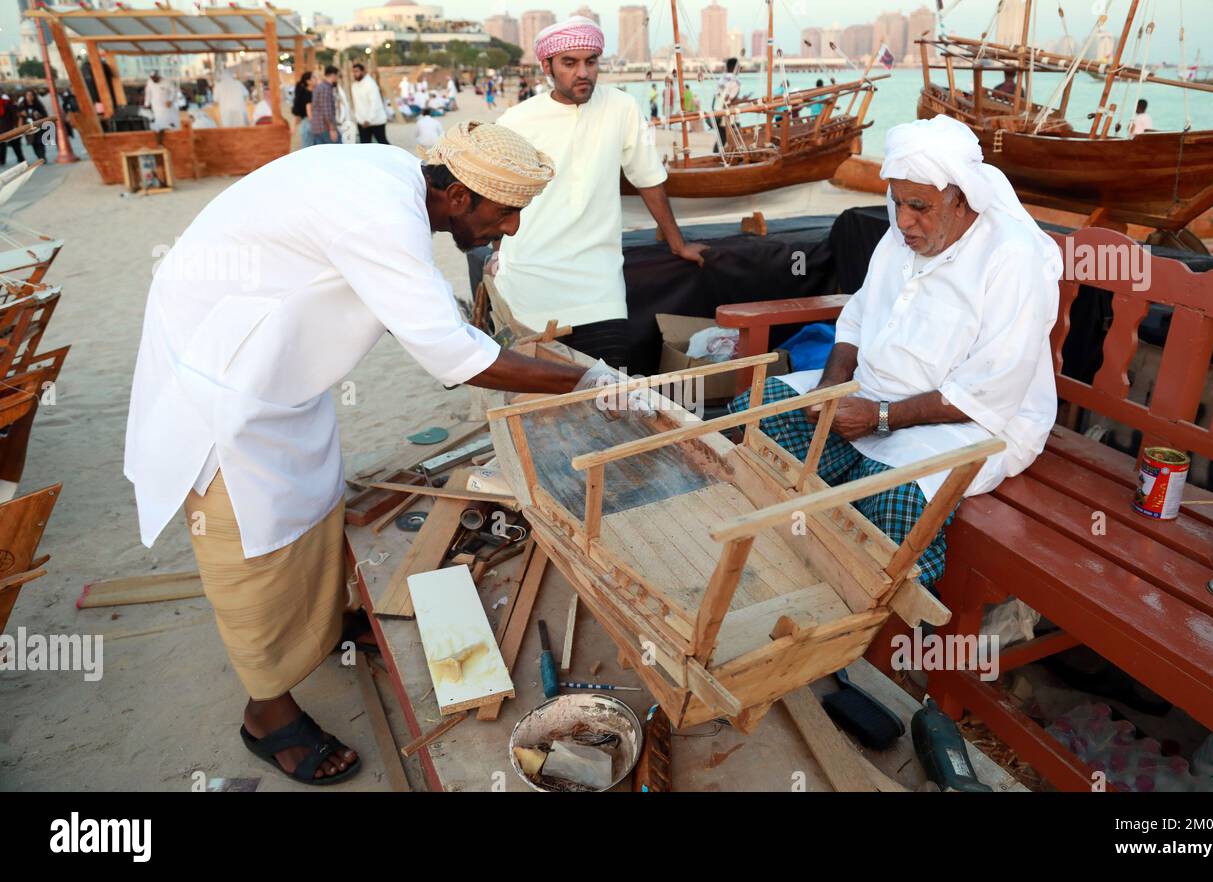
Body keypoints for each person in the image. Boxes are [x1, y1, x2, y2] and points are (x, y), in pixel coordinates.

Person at [124, 121, 635, 786]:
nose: (510, 229)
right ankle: (266, 715)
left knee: (312, 497)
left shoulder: (395, 177)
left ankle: (326, 626)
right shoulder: (383, 213)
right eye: (507, 213)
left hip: (265, 361)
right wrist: (587, 380)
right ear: (456, 198)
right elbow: (453, 357)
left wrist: (460, 322)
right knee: (252, 543)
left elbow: (409, 304)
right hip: (216, 378)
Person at [727, 114, 1061, 590]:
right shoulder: (903, 232)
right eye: (897, 201)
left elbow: (987, 393)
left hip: (969, 423)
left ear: (961, 199)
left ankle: (886, 631)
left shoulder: (1013, 258)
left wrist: (879, 418)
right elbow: (858, 317)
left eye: (919, 206)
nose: (903, 219)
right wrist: (829, 386)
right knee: (753, 417)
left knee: (892, 497)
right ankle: (789, 560)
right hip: (871, 396)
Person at [492, 16, 706, 369]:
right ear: (547, 66)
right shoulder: (517, 120)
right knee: (541, 406)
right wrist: (497, 249)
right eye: (570, 63)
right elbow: (497, 192)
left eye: (591, 62)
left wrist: (677, 243)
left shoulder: (620, 107)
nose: (583, 73)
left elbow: (647, 176)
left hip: (599, 282)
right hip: (529, 279)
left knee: (609, 394)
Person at [351, 62, 388, 144]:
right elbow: (357, 105)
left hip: (376, 121)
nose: (354, 74)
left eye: (357, 71)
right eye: (353, 71)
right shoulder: (354, 86)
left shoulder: (371, 84)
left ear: (363, 71)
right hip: (362, 122)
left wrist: (368, 120)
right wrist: (359, 119)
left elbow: (375, 103)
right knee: (365, 146)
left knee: (383, 144)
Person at [309, 66, 341, 145]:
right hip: (324, 128)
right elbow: (326, 111)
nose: (337, 78)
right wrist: (332, 129)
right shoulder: (325, 88)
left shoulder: (320, 86)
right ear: (333, 75)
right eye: (337, 76)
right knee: (338, 151)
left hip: (318, 127)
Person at [19, 89, 48, 163]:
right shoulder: (22, 105)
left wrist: (38, 115)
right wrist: (22, 115)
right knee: (33, 143)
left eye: (31, 95)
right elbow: (19, 116)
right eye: (28, 95)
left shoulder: (38, 104)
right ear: (25, 96)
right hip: (28, 128)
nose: (29, 97)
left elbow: (45, 115)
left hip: (39, 126)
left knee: (40, 142)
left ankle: (42, 157)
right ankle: (39, 157)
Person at [0, 92, 24, 166]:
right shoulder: (8, 103)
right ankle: (2, 160)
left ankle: (21, 160)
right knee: (2, 146)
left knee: (15, 145)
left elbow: (15, 116)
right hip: (5, 128)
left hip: (9, 128)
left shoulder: (7, 103)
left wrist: (16, 126)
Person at [291, 71, 313, 148]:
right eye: (313, 78)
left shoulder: (302, 92)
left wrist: (293, 127)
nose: (315, 80)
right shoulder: (308, 94)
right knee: (308, 146)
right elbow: (308, 109)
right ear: (308, 81)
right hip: (308, 121)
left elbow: (296, 111)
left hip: (304, 121)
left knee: (306, 145)